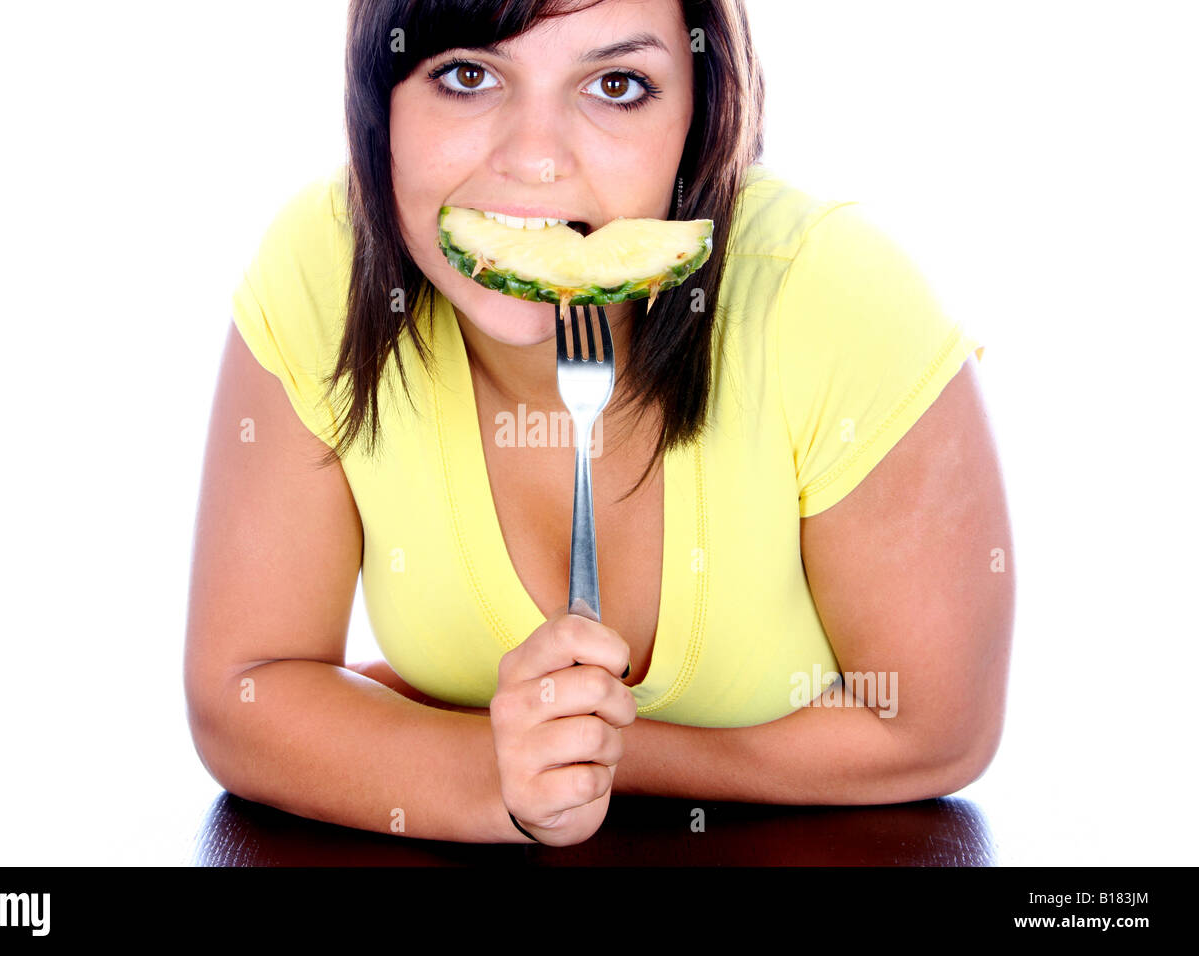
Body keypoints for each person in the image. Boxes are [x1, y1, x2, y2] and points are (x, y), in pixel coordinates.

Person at [186, 0, 1014, 847]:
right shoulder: (326, 262)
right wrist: (497, 782)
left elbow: (931, 733)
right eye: (468, 75)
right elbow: (247, 693)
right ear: (379, 100)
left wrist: (571, 757)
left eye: (617, 84)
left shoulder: (834, 295)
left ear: (700, 114)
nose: (537, 161)